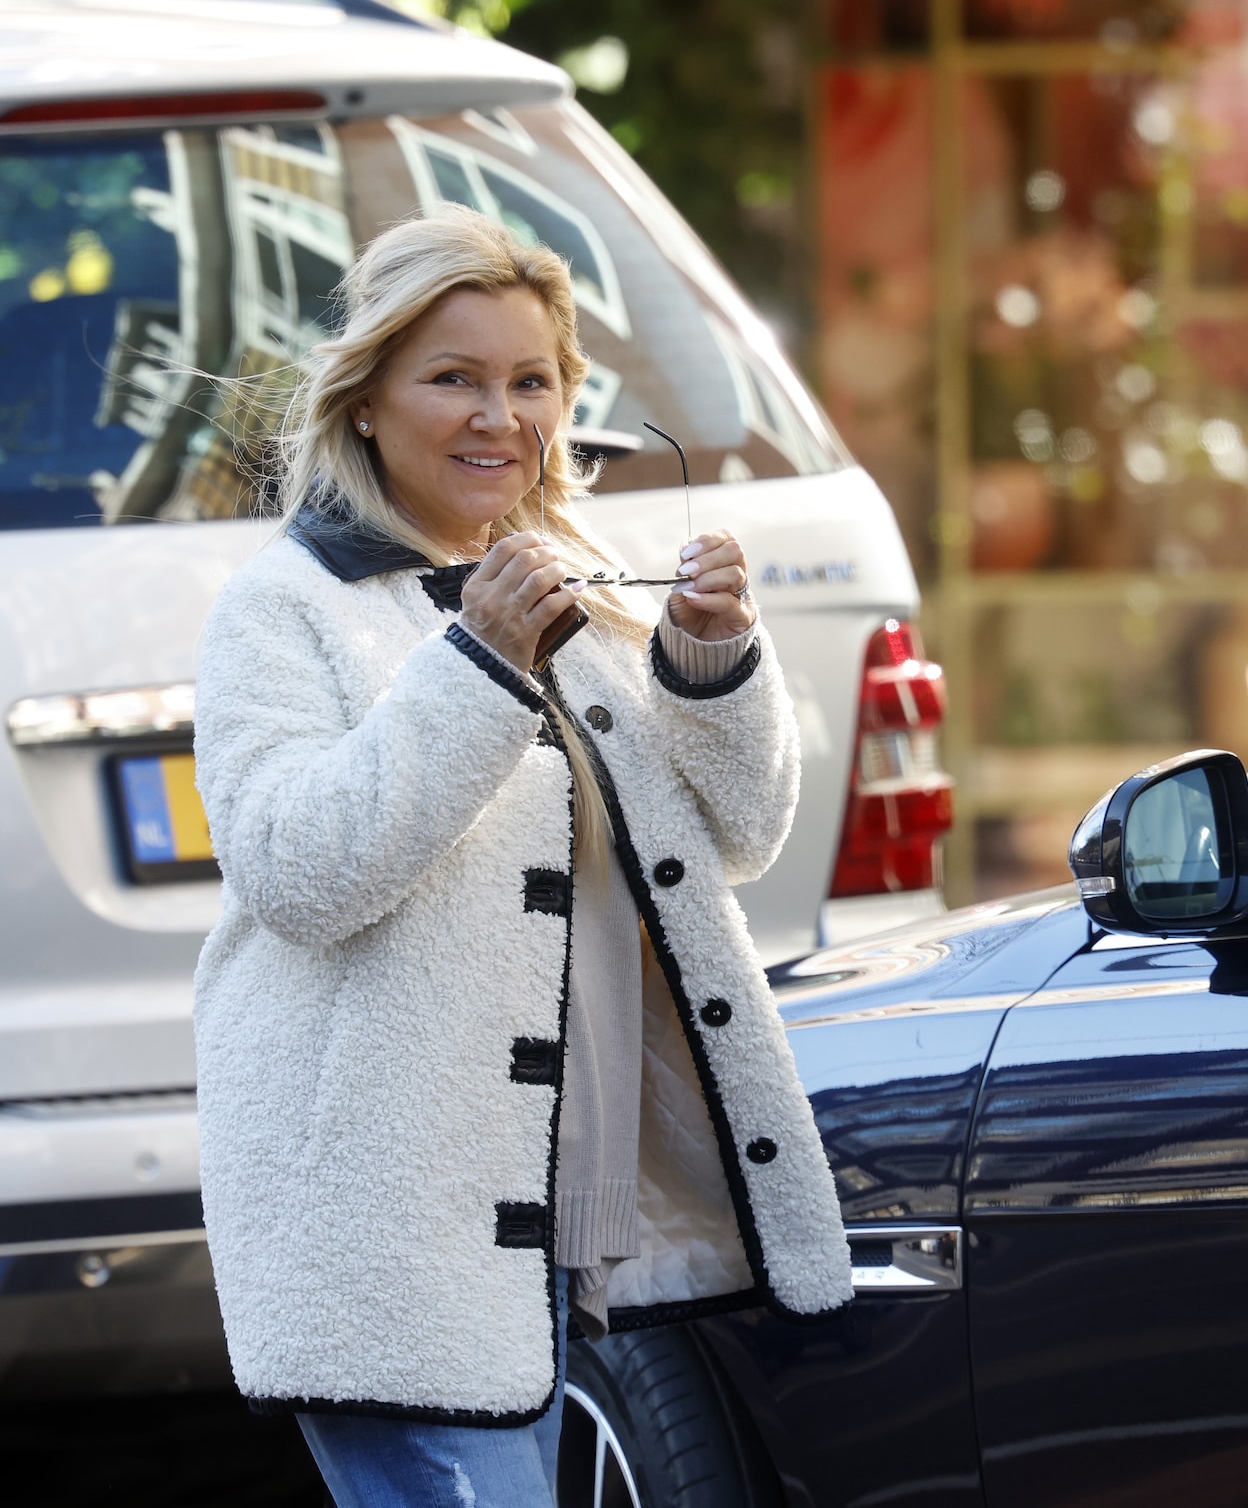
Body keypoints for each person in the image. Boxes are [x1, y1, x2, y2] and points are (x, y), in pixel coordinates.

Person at [190, 208, 852, 1506]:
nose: (501, 416)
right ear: (369, 401)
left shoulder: (580, 588)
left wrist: (709, 664)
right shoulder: (284, 610)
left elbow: (743, 833)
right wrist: (478, 671)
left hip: (546, 1214)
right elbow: (296, 872)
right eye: (454, 378)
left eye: (531, 381)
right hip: (384, 1237)